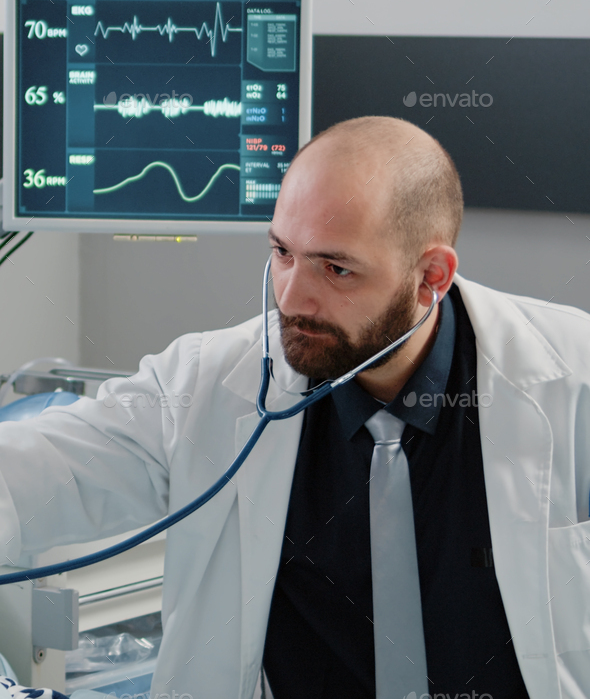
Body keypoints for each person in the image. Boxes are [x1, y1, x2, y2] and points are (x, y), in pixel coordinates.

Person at [0, 116, 588, 699]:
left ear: (429, 276)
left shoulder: (572, 381)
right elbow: (37, 474)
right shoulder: (205, 386)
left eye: (336, 269)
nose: (292, 297)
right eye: (282, 251)